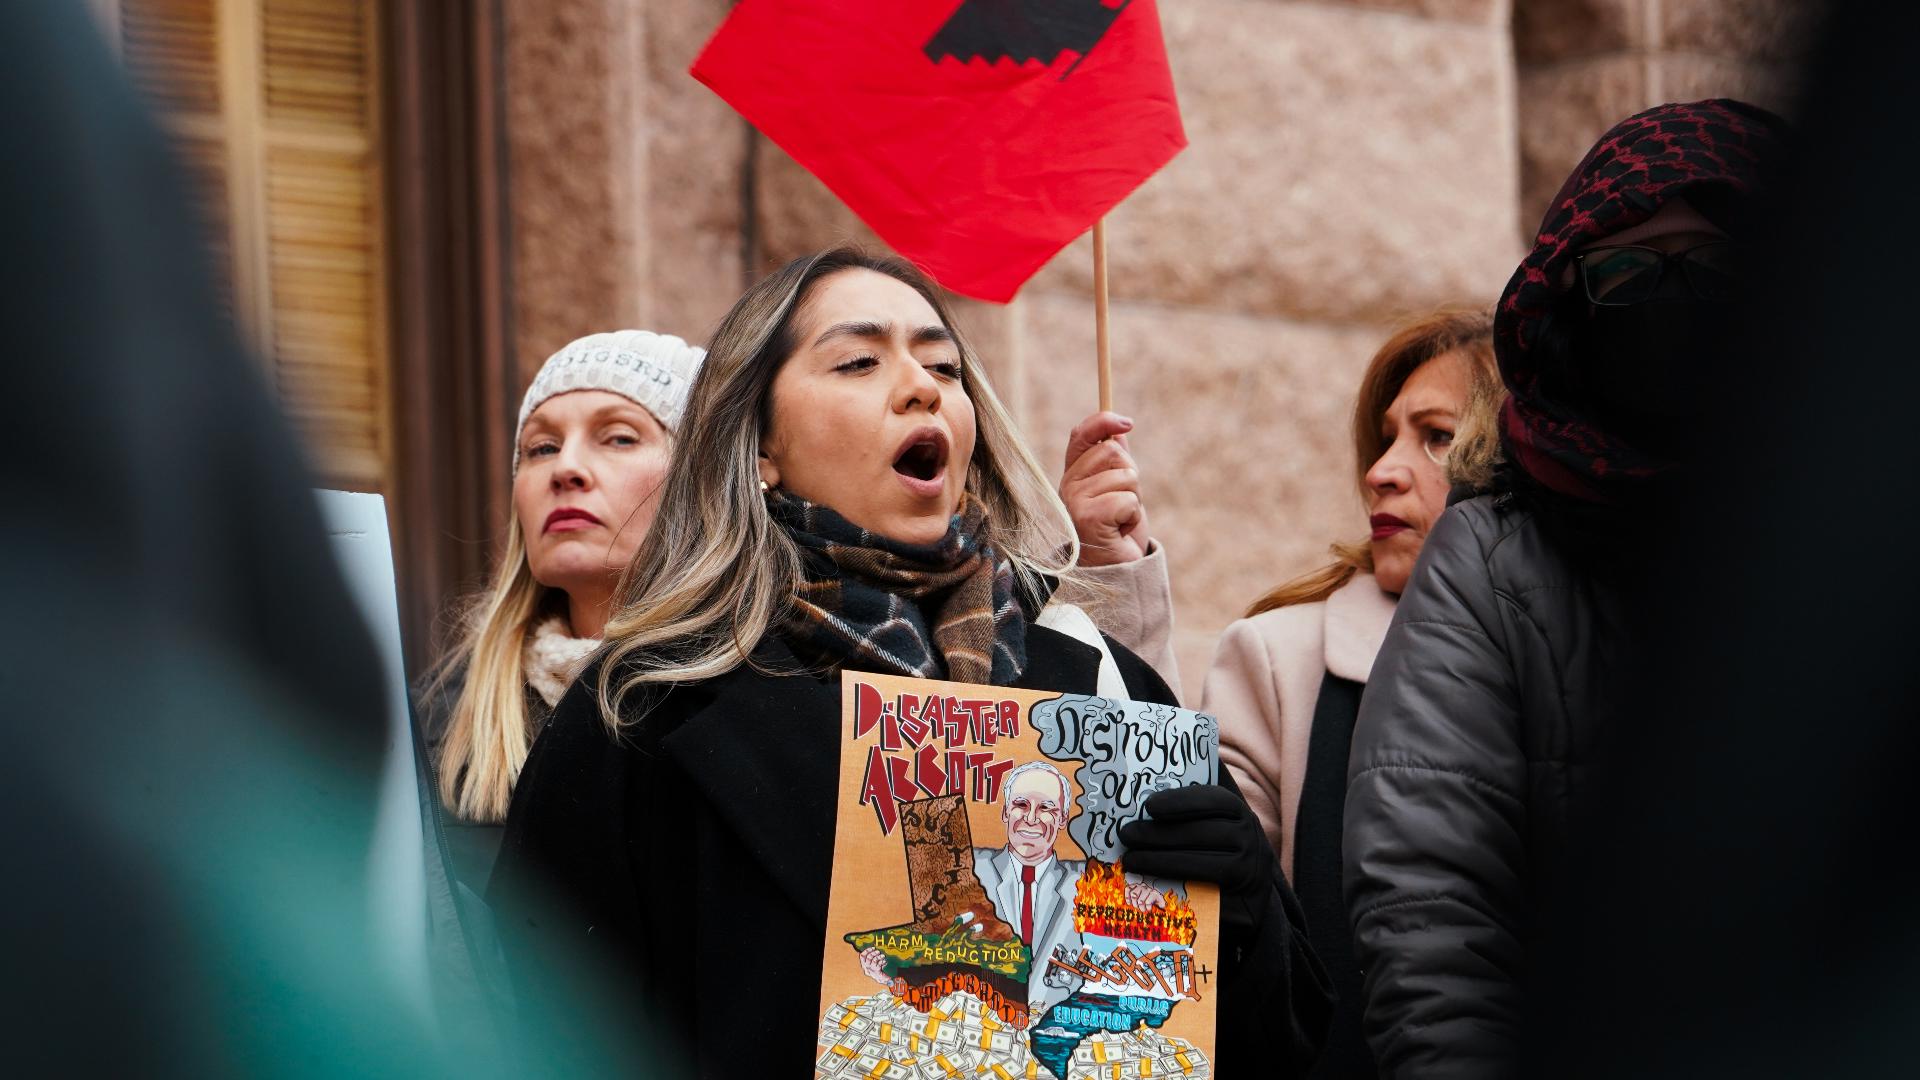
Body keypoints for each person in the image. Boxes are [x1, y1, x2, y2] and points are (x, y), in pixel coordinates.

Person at [488, 247, 1331, 1076]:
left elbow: (1283, 1046)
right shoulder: (647, 709)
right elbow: (534, 1032)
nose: (923, 385)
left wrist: (1244, 908)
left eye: (945, 366)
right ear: (760, 446)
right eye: (858, 360)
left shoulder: (1101, 683)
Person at [1340, 99, 1787, 1078]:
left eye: (1707, 269)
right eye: (1627, 275)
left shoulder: (1858, 527)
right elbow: (1430, 912)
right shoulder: (1495, 566)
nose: (1668, 303)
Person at [1200, 309, 1500, 1078]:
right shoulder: (1277, 661)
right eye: (1388, 436)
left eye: (1436, 437)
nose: (1382, 470)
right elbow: (1192, 942)